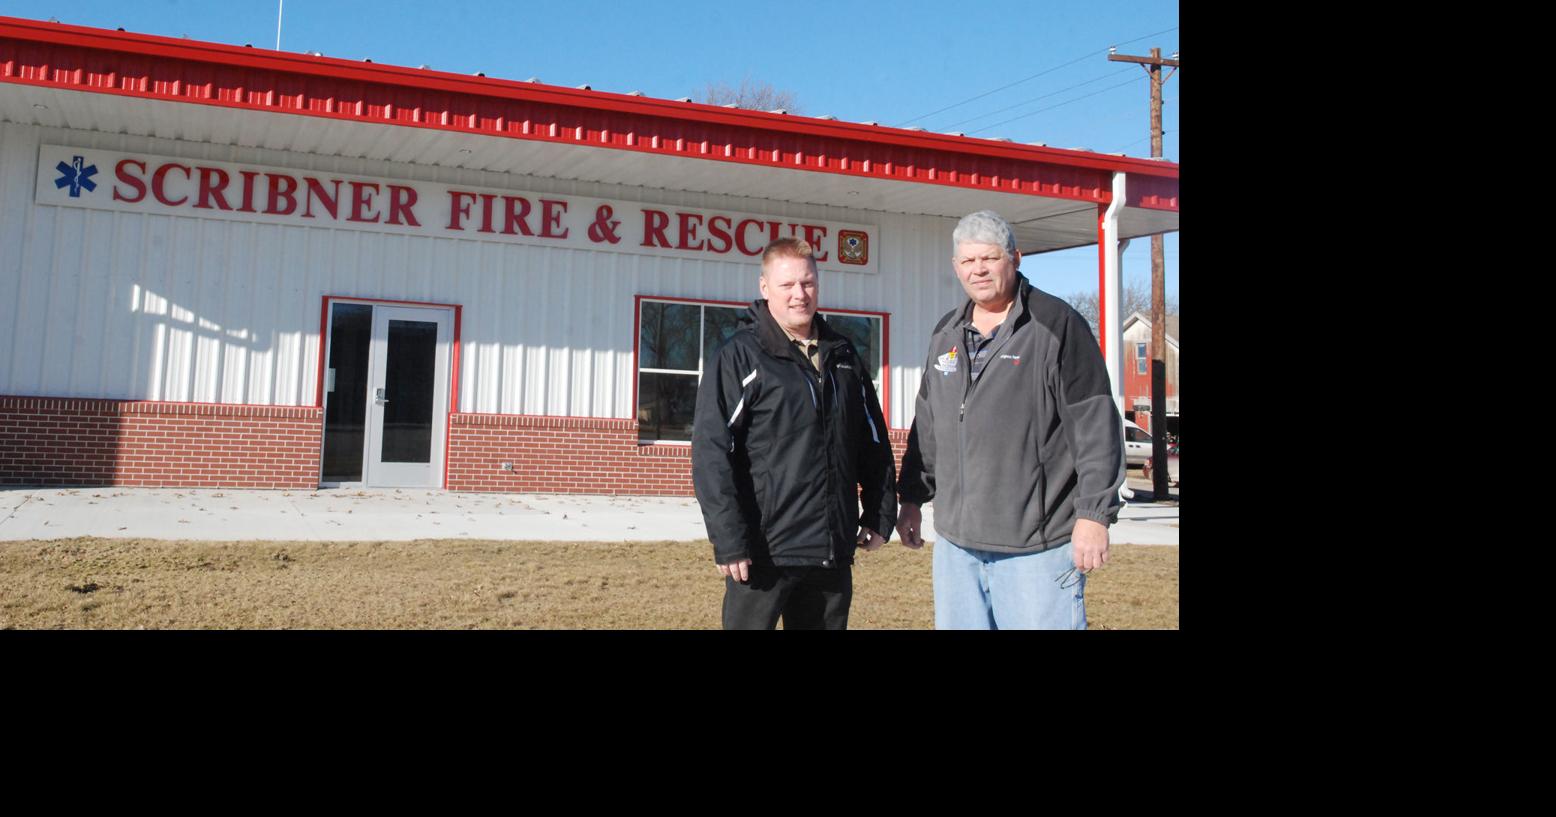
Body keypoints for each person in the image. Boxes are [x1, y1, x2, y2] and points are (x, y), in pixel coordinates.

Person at [896, 210, 1124, 629]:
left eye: (990, 257)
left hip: (1036, 549)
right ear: (956, 267)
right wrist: (911, 498)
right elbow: (928, 427)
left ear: (1015, 259)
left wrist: (1094, 514)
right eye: (968, 260)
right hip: (957, 550)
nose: (978, 269)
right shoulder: (946, 333)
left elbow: (1095, 426)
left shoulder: (1057, 326)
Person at [692, 237, 896, 630]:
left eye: (807, 283)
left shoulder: (843, 355)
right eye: (787, 285)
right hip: (764, 552)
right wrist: (729, 539)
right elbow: (710, 453)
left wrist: (879, 511)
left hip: (830, 550)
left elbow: (872, 439)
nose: (799, 294)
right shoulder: (740, 357)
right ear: (765, 287)